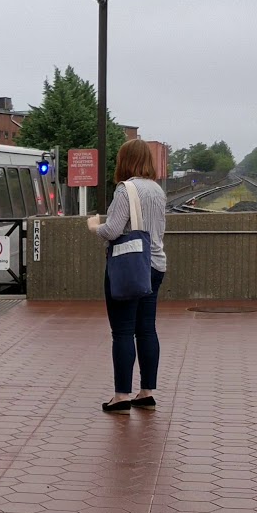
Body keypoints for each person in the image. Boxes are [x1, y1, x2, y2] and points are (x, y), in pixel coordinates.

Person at [87, 139, 167, 414]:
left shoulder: (125, 190)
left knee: (122, 331)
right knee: (146, 329)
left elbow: (112, 231)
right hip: (155, 265)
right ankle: (147, 392)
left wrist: (94, 226)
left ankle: (121, 396)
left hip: (129, 267)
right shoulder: (157, 190)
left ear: (125, 160)